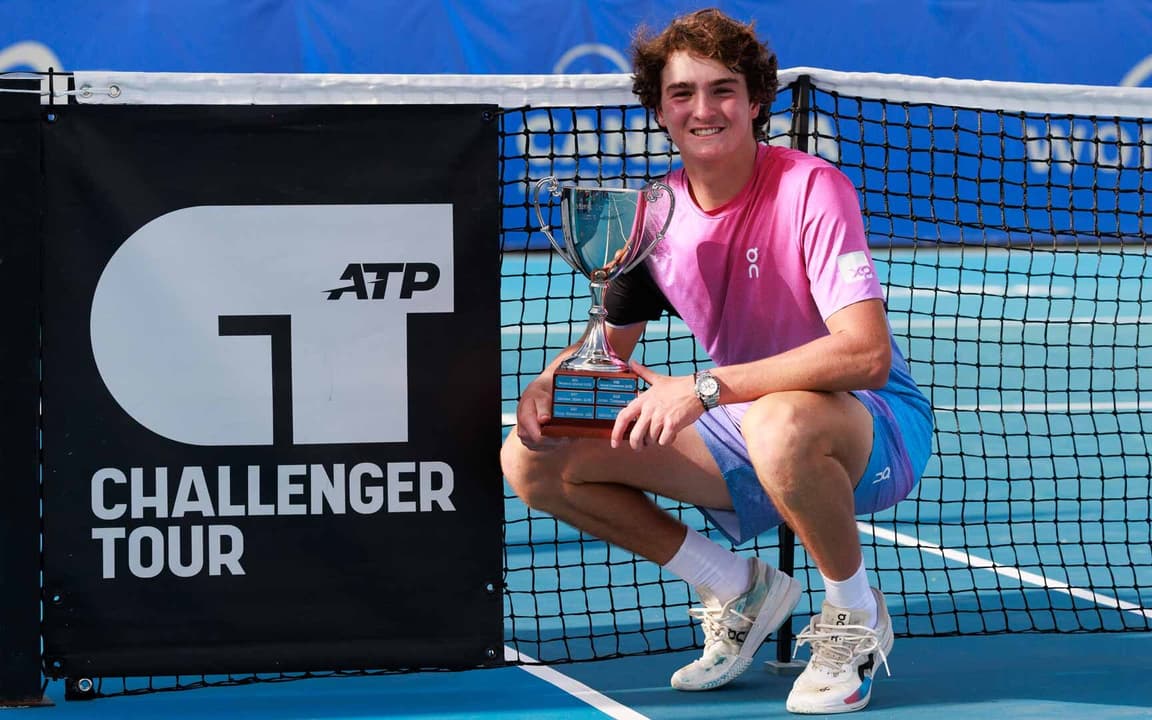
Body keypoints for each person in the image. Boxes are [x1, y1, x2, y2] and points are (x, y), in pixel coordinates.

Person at [501, 7, 933, 715]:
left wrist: (702, 388)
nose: (703, 109)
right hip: (745, 416)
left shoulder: (811, 188)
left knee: (780, 424)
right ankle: (737, 587)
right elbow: (605, 350)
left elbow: (866, 354)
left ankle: (855, 614)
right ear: (660, 111)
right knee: (533, 458)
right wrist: (550, 388)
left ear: (756, 101)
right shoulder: (653, 216)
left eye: (723, 89)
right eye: (682, 94)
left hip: (870, 425)